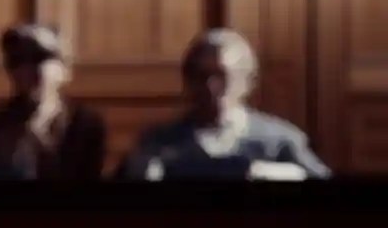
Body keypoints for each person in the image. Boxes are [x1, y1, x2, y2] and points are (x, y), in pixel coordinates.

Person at [117, 29, 331, 180]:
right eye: (201, 77)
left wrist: (284, 174)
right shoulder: (160, 141)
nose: (211, 87)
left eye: (222, 76)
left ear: (247, 81)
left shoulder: (279, 140)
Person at [0, 25, 105, 180]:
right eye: (17, 60)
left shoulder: (84, 125)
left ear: (65, 69)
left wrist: (43, 146)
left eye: (40, 58)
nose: (27, 68)